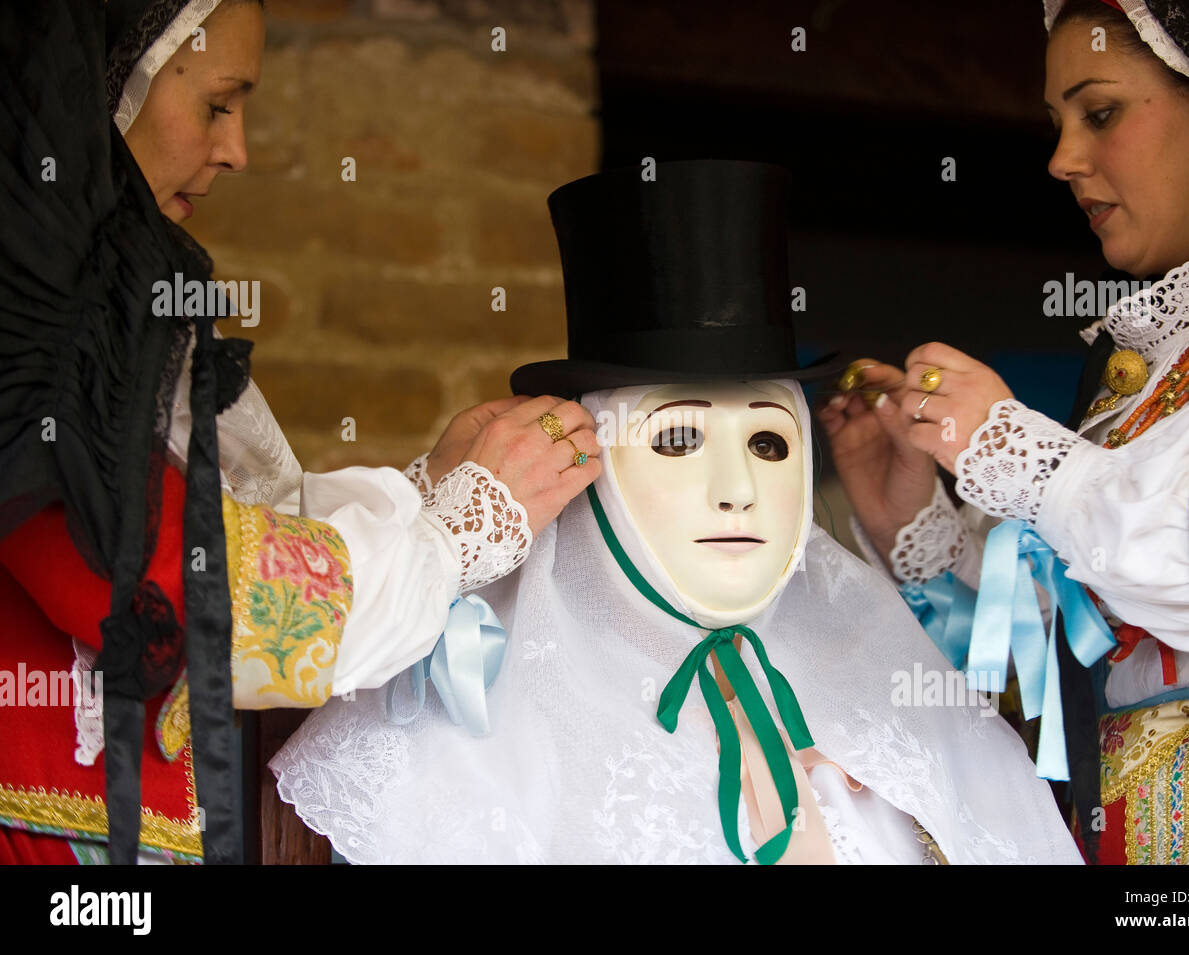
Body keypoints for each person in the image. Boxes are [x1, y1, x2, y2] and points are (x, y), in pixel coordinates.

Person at [270, 160, 1083, 865]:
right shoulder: (471, 711)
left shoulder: (878, 673)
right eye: (678, 438)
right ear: (596, 463)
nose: (736, 489)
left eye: (768, 443)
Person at [0, 0, 599, 864]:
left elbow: (226, 518)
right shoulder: (31, 332)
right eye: (216, 103)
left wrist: (431, 489)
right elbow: (187, 589)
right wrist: (455, 534)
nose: (237, 149)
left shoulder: (98, 321)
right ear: (105, 91)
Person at [820, 0, 1189, 864]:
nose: (1063, 158)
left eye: (1101, 112)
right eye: (1058, 123)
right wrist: (920, 530)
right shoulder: (1132, 372)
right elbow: (1049, 680)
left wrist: (1035, 465)